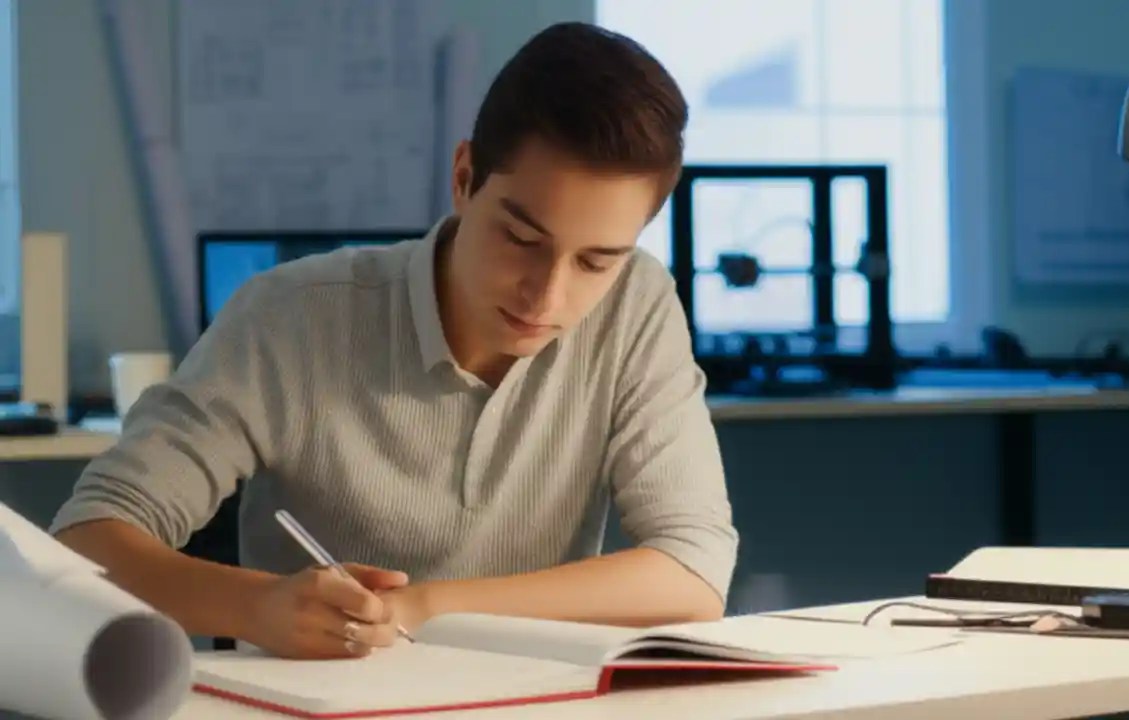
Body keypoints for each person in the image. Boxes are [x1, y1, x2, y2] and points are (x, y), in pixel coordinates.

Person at [50, 22, 738, 660]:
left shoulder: (636, 304)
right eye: (521, 239)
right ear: (464, 178)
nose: (548, 296)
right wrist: (255, 607)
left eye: (596, 261)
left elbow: (694, 570)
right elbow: (86, 538)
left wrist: (424, 607)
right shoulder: (290, 316)